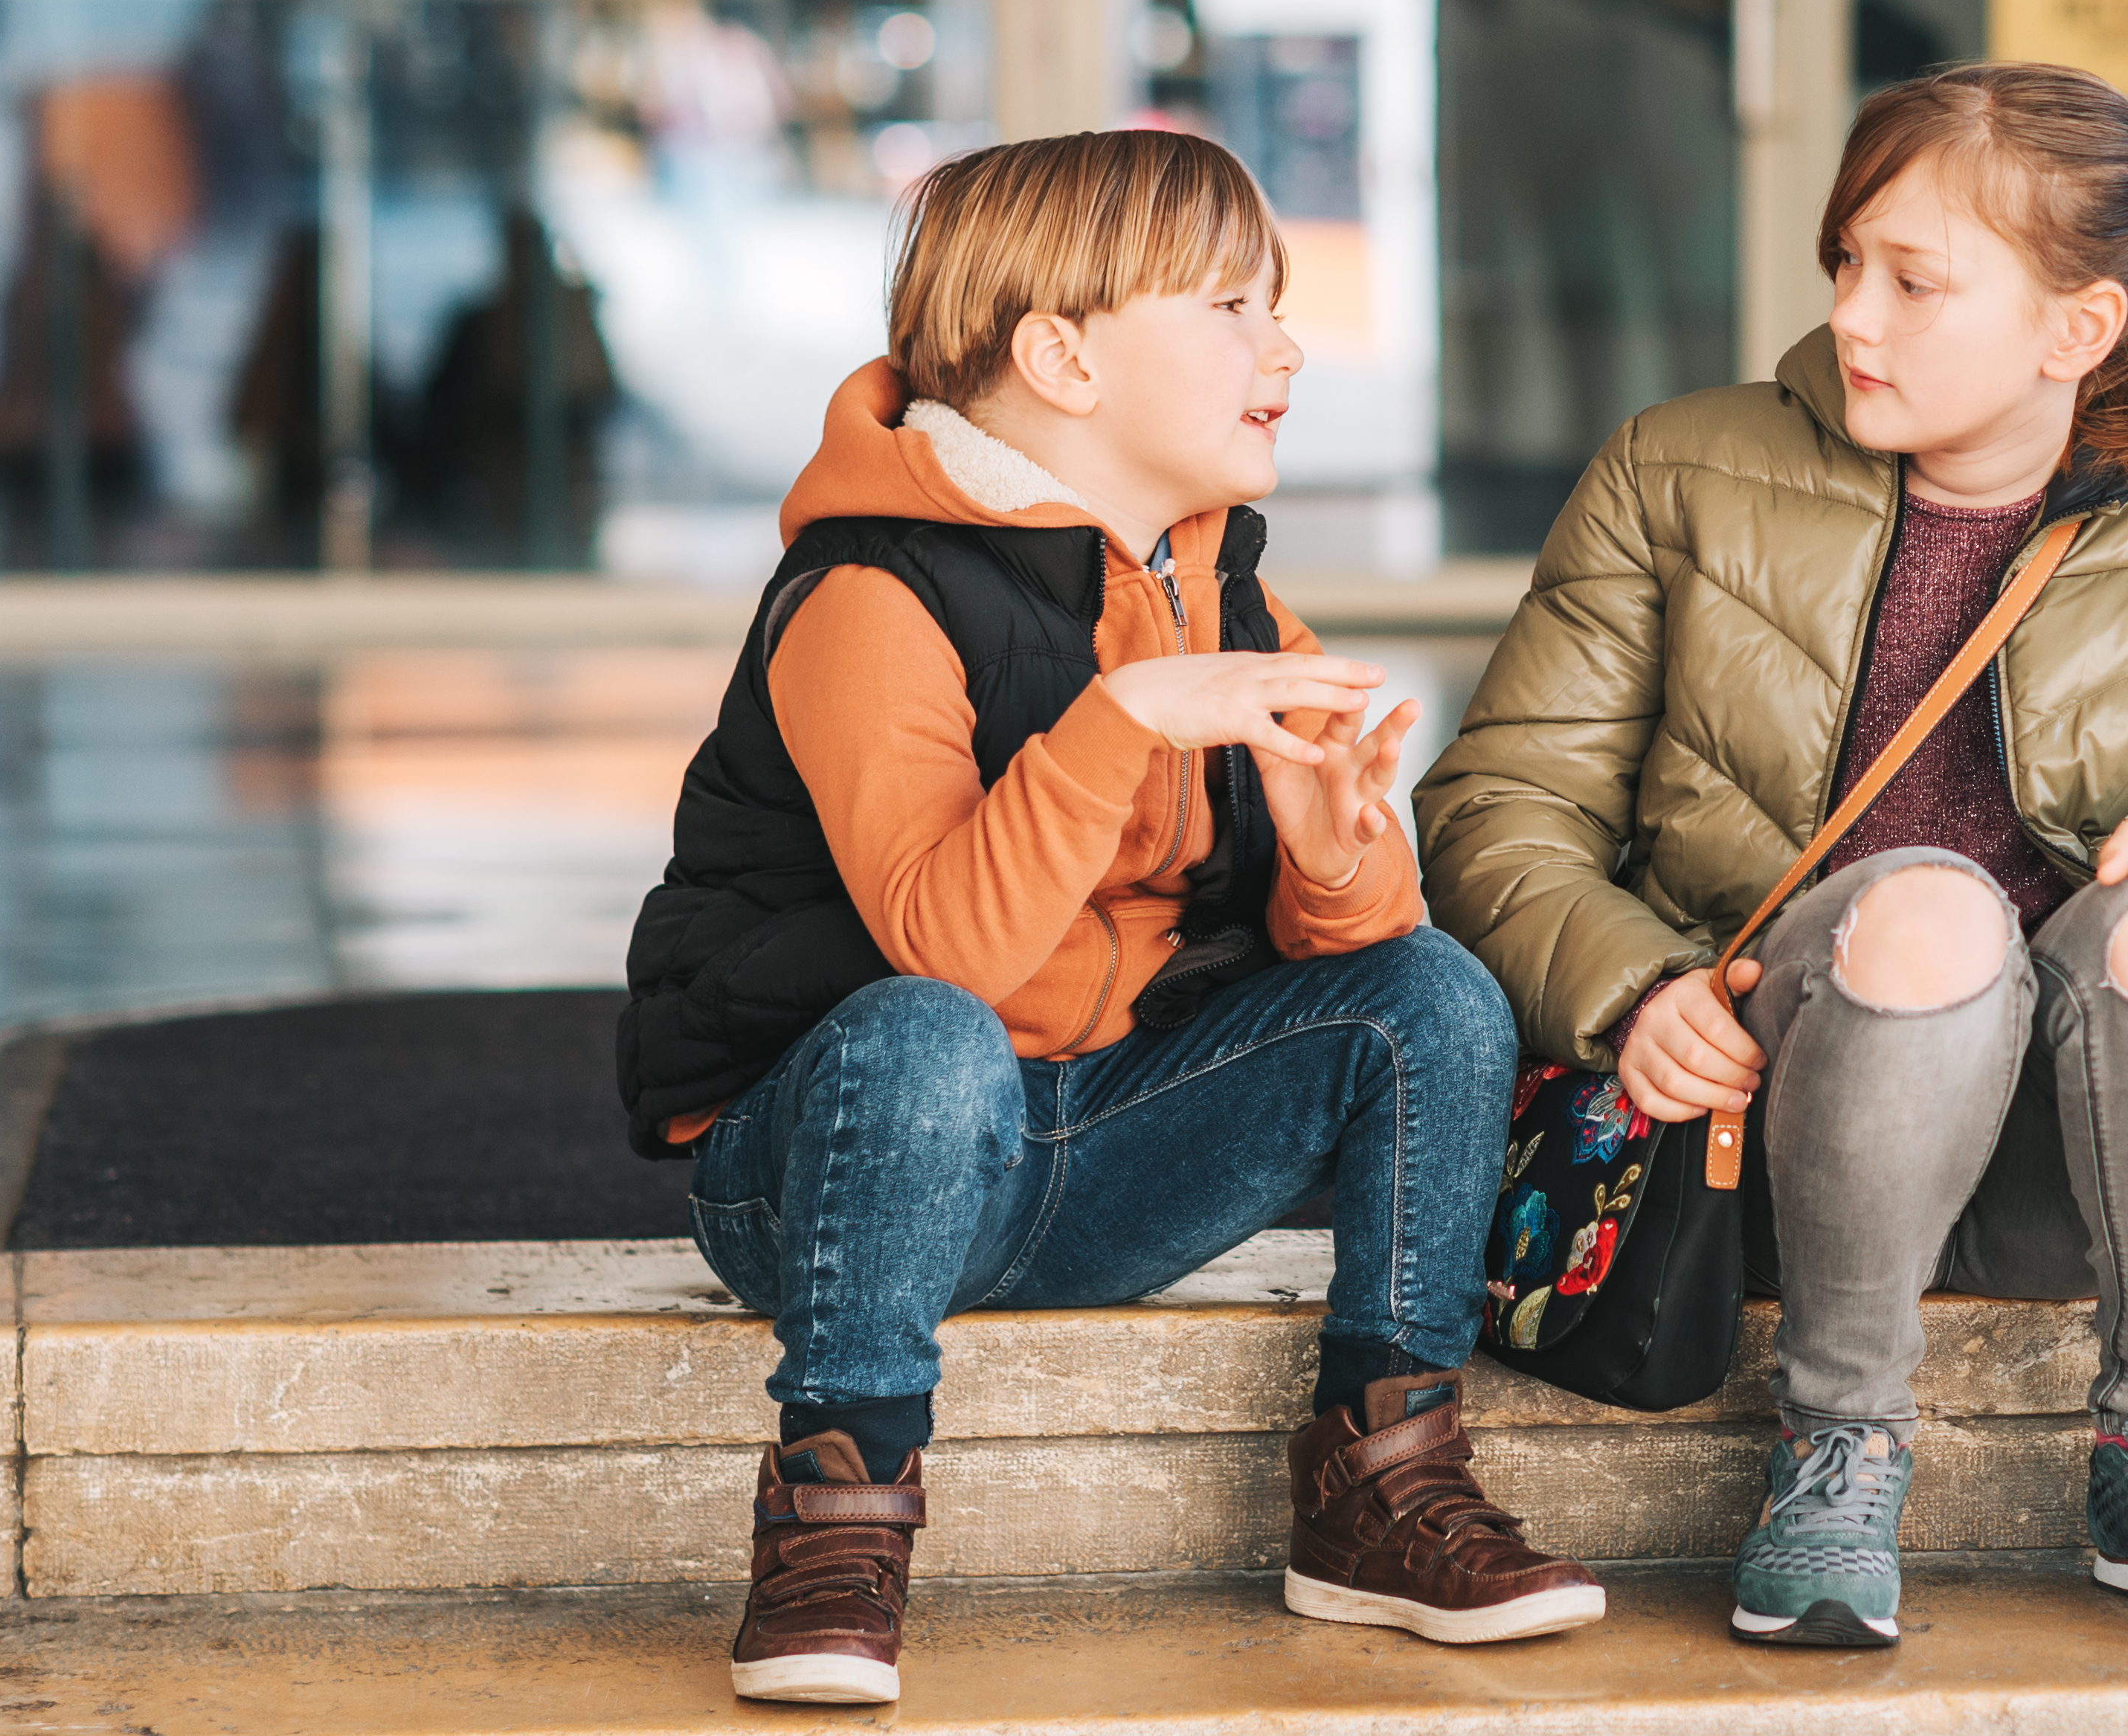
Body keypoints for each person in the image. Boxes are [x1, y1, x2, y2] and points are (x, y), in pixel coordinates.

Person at [1418, 63, 2128, 1649]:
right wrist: (1635, 989)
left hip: (2093, 1170)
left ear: (2075, 326)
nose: (1854, 317)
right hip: (1766, 1141)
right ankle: (1840, 1443)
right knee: (1931, 914)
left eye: (1912, 280)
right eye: (1846, 264)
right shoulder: (1677, 470)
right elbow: (1497, 805)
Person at [617, 129, 1603, 1707]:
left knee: (1432, 990)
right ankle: (836, 1503)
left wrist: (1333, 849)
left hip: (1089, 1142)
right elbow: (946, 948)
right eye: (1230, 306)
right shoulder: (873, 593)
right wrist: (1125, 714)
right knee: (931, 1029)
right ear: (1062, 354)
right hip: (832, 1175)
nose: (1284, 346)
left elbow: (1364, 966)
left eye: (1276, 306)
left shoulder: (1216, 586)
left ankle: (1381, 1478)